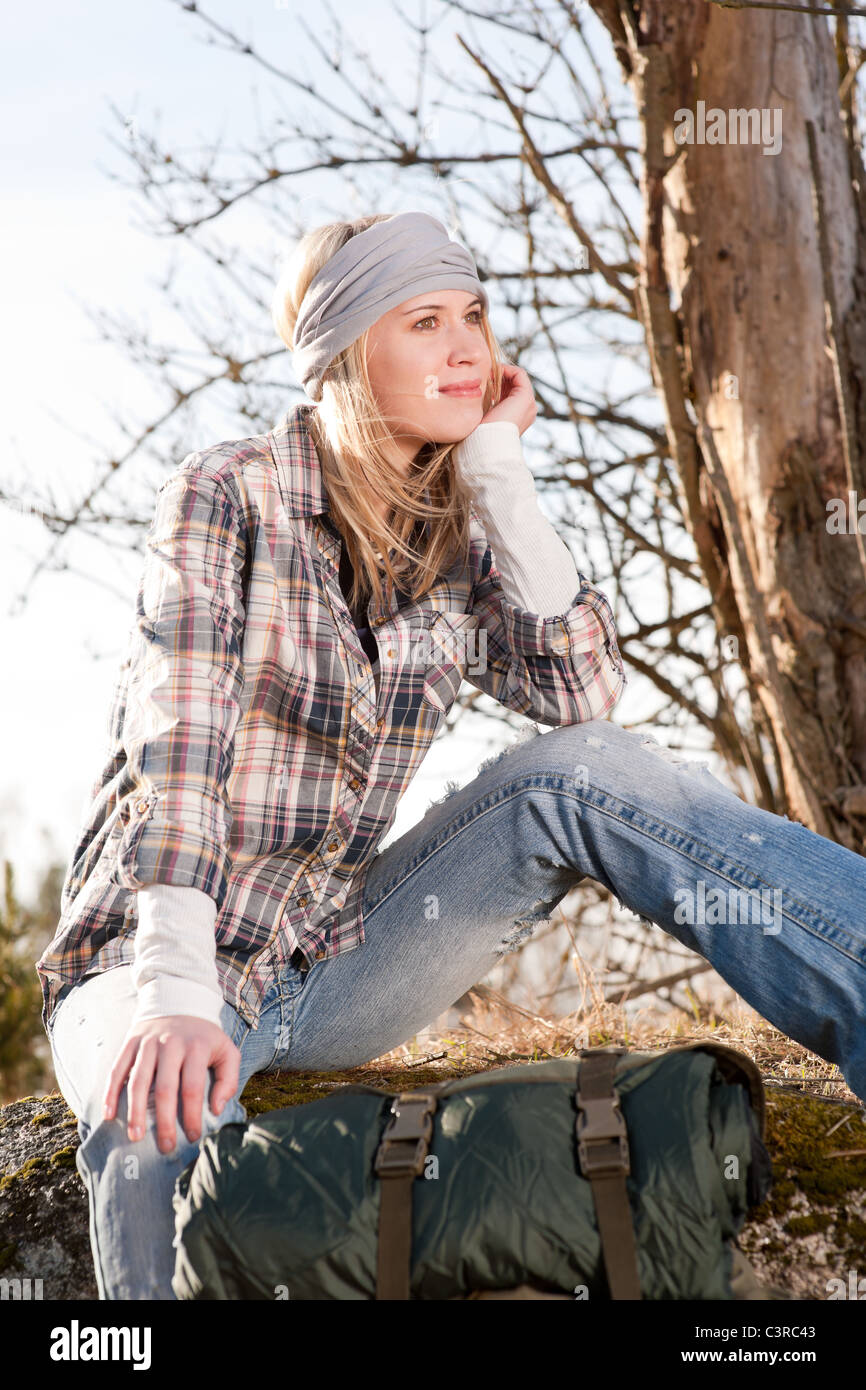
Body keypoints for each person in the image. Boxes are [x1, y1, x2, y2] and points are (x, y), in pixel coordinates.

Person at [37, 210, 866, 1302]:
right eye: (424, 321)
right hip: (153, 959)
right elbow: (177, 744)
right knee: (156, 1125)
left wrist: (499, 473)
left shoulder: (455, 537)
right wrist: (177, 991)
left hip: (329, 962)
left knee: (576, 769)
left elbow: (582, 701)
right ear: (343, 355)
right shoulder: (225, 494)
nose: (466, 346)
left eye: (472, 314)